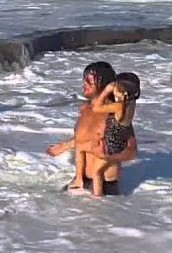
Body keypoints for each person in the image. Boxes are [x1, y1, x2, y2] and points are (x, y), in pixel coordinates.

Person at [47, 61, 137, 195]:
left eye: (89, 81)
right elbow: (87, 138)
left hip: (105, 187)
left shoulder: (116, 114)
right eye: (84, 80)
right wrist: (65, 146)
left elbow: (132, 152)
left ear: (105, 84)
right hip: (80, 182)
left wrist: (107, 156)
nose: (84, 84)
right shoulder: (85, 109)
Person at [85, 72, 140, 197]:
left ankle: (97, 198)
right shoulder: (131, 103)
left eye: (115, 87)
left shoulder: (119, 106)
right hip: (119, 141)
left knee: (96, 172)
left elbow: (96, 108)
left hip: (111, 144)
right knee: (100, 168)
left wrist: (106, 91)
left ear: (122, 93)